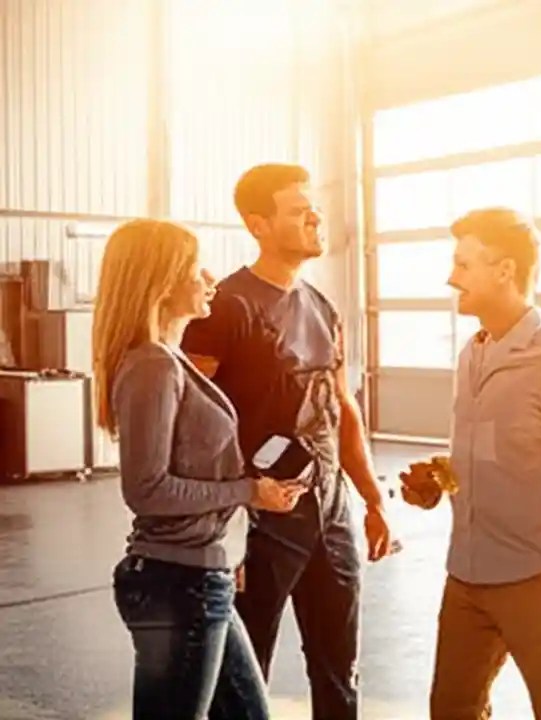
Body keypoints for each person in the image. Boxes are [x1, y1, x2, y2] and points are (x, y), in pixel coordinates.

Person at [181, 163, 397, 719]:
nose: (316, 218)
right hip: (261, 518)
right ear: (259, 224)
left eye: (313, 208)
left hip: (331, 514)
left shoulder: (322, 307)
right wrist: (227, 529)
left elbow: (342, 409)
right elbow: (189, 422)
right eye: (299, 212)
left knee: (339, 671)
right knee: (243, 678)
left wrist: (372, 500)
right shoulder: (223, 307)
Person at [399, 207, 541, 720]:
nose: (451, 277)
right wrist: (438, 480)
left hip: (535, 579)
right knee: (452, 709)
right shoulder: (471, 354)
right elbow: (482, 455)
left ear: (504, 270)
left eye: (463, 264)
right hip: (466, 576)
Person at [93, 218, 306, 719]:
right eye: (195, 268)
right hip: (179, 585)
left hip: (202, 576)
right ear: (162, 283)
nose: (211, 277)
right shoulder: (153, 366)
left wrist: (231, 540)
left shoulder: (170, 360)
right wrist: (248, 490)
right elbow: (147, 490)